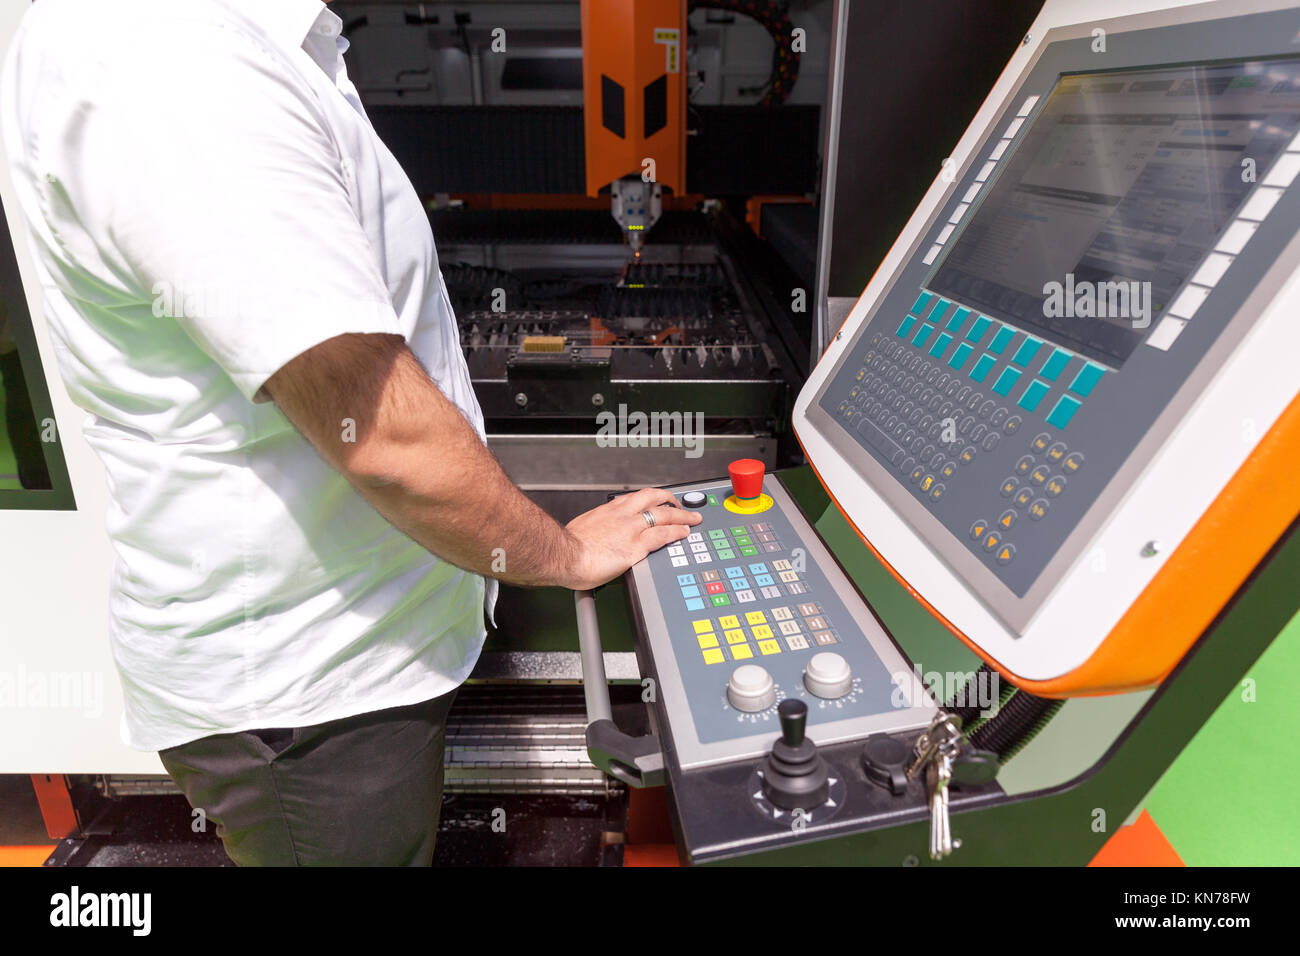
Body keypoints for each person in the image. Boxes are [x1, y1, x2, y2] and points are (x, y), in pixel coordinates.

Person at [0, 0, 701, 865]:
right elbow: (386, 439)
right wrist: (560, 556)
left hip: (345, 671)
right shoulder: (173, 59)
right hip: (310, 703)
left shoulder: (236, 43)